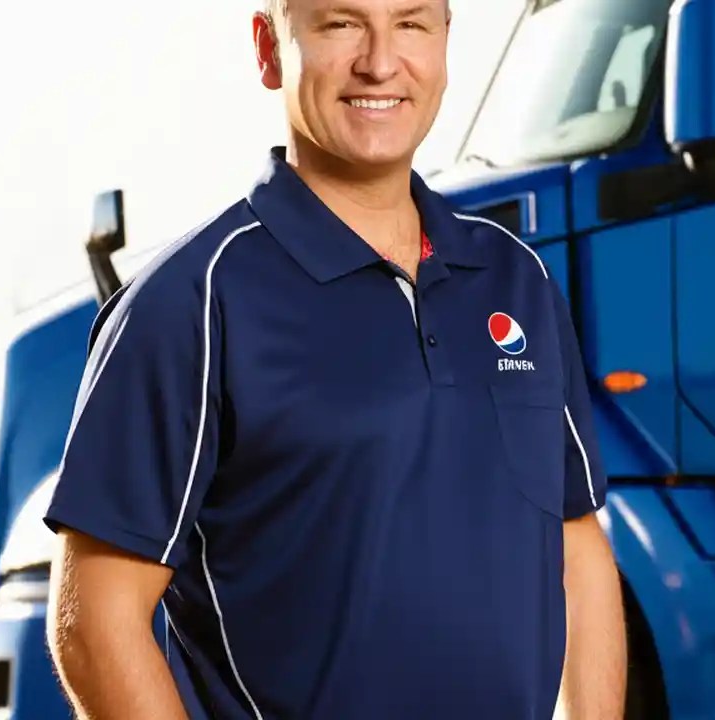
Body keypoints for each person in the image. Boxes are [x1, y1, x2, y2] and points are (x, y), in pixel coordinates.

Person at [42, 0, 627, 717]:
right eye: (341, 23)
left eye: (411, 23)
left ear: (445, 43)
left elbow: (577, 547)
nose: (380, 61)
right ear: (269, 48)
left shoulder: (516, 277)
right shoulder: (191, 300)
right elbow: (93, 622)